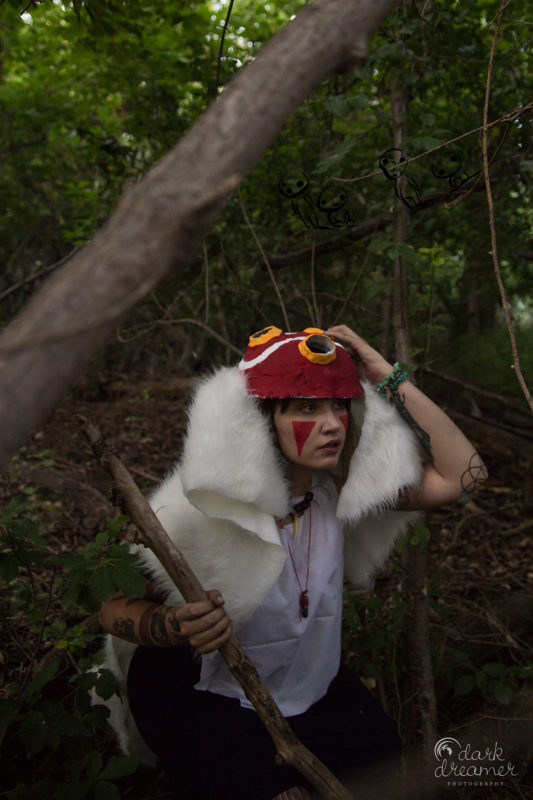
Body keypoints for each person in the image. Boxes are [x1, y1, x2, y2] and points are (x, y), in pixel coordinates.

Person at [97, 324, 486, 800]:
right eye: (307, 407)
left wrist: (384, 372)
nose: (332, 423)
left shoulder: (341, 492)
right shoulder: (199, 508)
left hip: (314, 693)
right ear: (264, 417)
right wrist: (175, 624)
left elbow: (465, 474)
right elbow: (114, 609)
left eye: (339, 404)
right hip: (215, 699)